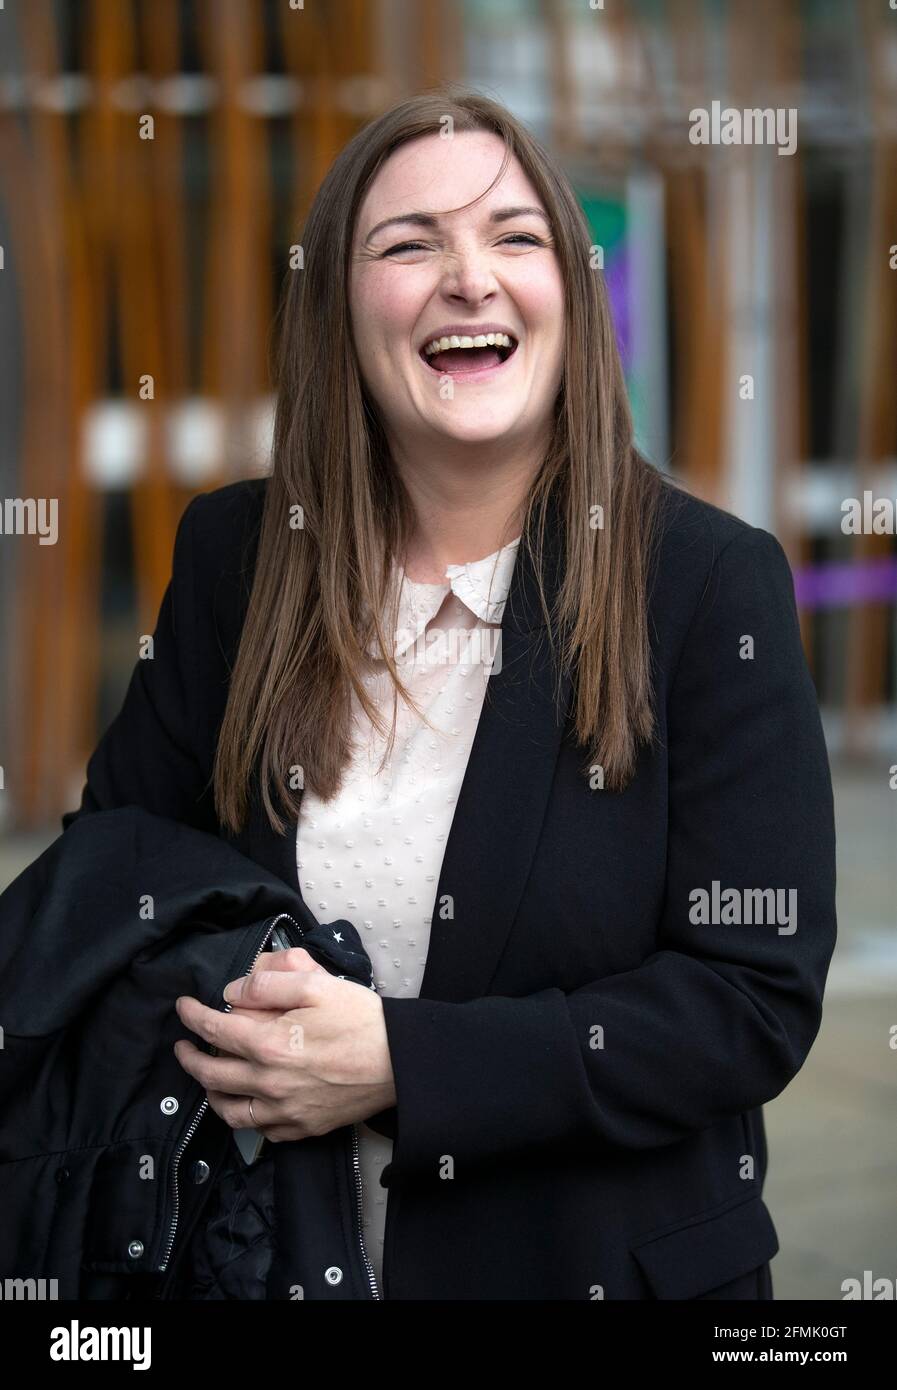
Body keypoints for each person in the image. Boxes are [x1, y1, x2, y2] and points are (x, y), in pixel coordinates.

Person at [65, 87, 837, 1300]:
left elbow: (749, 1002)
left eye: (515, 237)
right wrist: (234, 1007)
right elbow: (113, 882)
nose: (470, 279)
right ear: (337, 305)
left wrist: (401, 1063)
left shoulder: (704, 583)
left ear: (570, 291)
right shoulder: (238, 559)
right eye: (410, 244)